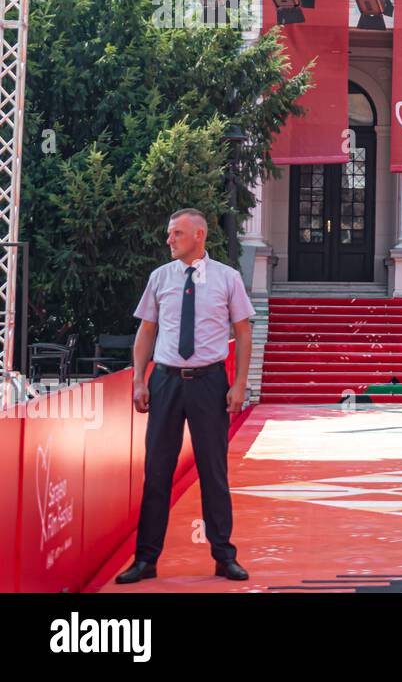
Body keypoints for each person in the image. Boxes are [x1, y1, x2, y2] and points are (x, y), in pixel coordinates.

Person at [115, 208, 254, 585]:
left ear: (199, 235)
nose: (169, 239)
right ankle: (146, 560)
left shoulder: (228, 278)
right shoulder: (160, 277)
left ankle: (224, 557)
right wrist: (140, 381)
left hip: (210, 383)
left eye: (176, 233)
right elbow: (147, 330)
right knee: (157, 472)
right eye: (170, 233)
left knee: (214, 472)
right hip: (165, 381)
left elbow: (243, 333)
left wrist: (239, 384)